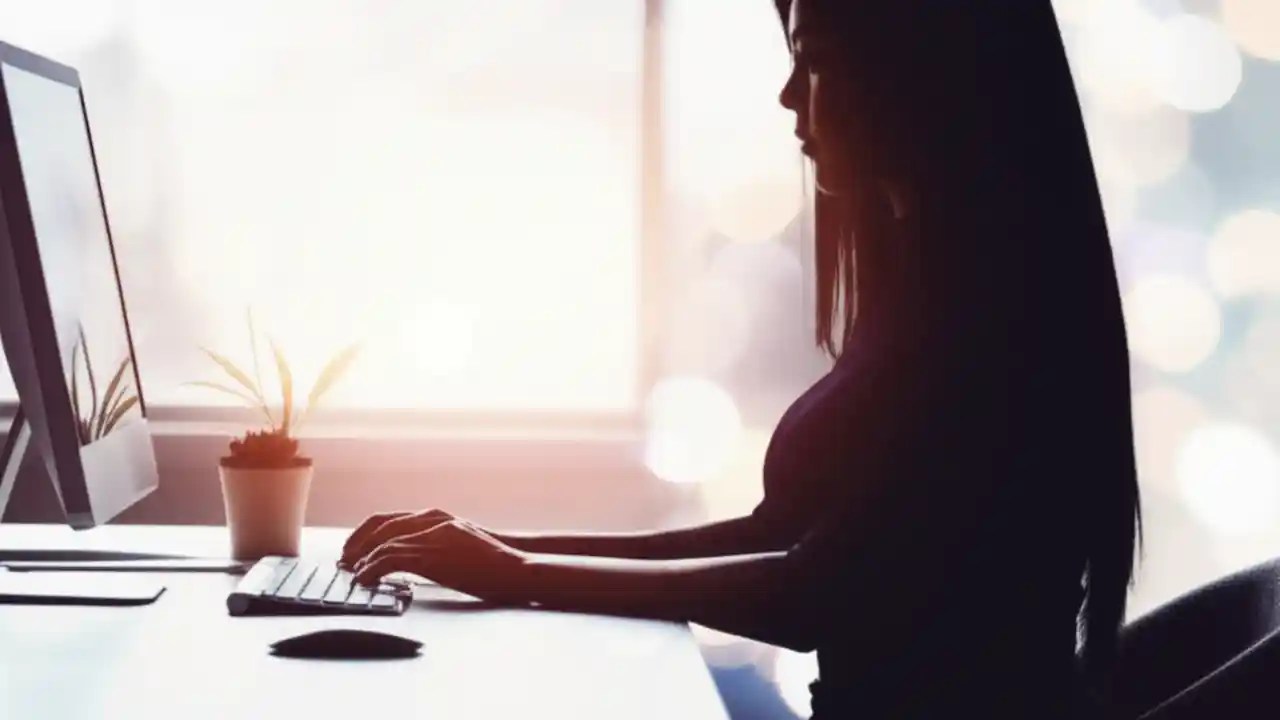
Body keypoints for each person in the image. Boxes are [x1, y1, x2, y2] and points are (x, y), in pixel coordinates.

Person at [341, 2, 1142, 717]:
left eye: (814, 61)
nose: (790, 95)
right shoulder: (931, 281)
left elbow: (814, 592)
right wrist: (507, 550)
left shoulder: (991, 309)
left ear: (912, 72)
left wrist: (520, 570)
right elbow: (783, 537)